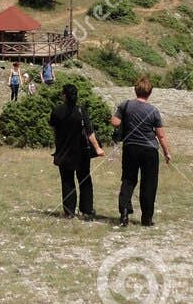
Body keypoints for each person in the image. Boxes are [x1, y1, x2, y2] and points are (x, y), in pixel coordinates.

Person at [111, 76, 171, 227]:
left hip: (131, 146)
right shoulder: (153, 111)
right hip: (149, 149)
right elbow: (161, 135)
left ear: (135, 90)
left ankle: (124, 212)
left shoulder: (126, 105)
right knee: (149, 183)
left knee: (128, 179)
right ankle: (146, 218)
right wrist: (166, 152)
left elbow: (115, 122)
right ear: (150, 92)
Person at [51, 83, 102, 218]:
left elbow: (54, 130)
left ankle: (69, 211)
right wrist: (97, 148)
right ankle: (86, 209)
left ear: (64, 95)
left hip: (64, 150)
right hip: (81, 151)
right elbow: (89, 132)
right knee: (84, 180)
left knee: (67, 181)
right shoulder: (81, 111)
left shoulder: (57, 111)